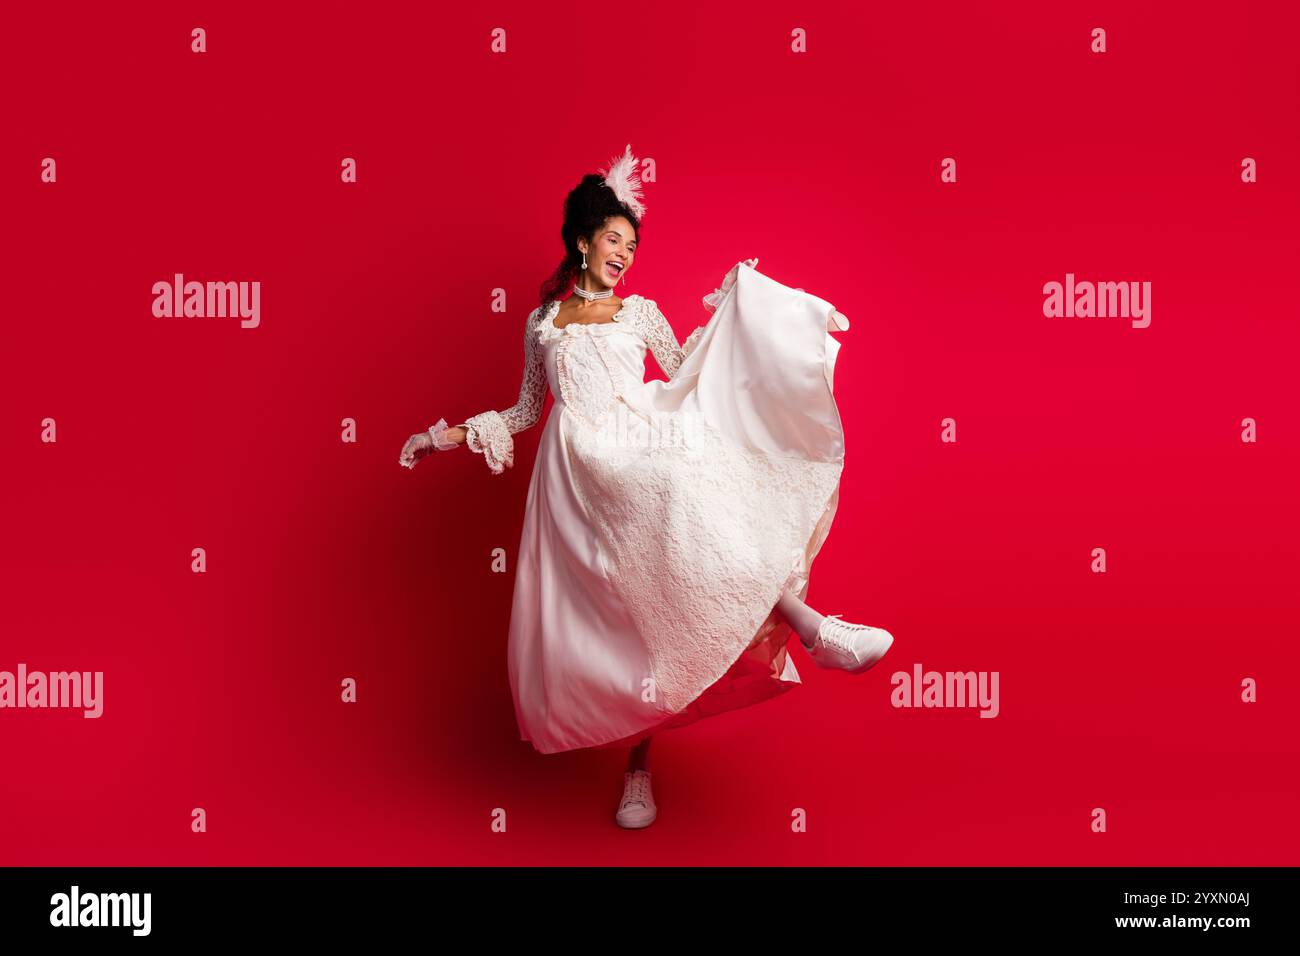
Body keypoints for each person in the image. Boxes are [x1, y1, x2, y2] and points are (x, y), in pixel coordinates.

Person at [399, 145, 895, 829]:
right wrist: (443, 436)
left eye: (632, 245)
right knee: (624, 628)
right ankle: (639, 766)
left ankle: (813, 629)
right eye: (614, 240)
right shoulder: (542, 324)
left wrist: (738, 311)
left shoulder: (641, 314)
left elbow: (690, 370)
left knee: (694, 523)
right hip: (576, 481)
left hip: (640, 449)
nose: (625, 254)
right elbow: (521, 411)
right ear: (583, 241)